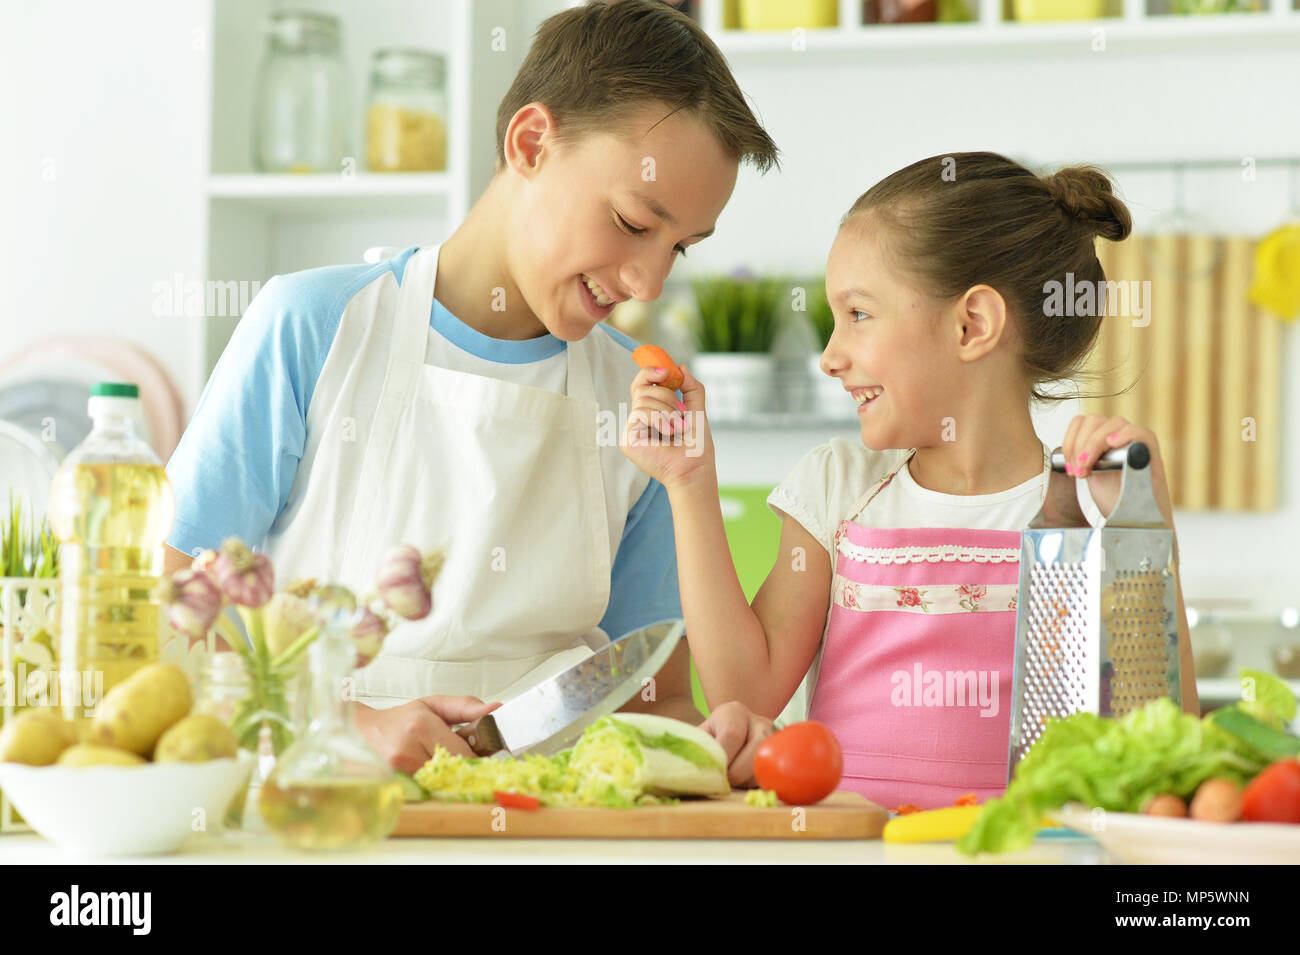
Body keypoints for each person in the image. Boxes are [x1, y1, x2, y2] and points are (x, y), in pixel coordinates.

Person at [162, 0, 779, 775]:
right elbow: (167, 612)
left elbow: (647, 696)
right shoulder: (315, 326)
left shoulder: (638, 406)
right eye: (631, 222)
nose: (647, 279)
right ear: (530, 143)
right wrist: (345, 720)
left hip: (550, 818)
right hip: (322, 797)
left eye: (680, 248)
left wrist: (714, 740)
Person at [622, 151, 1199, 807]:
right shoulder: (839, 489)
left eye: (859, 315)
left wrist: (1144, 523)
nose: (830, 356)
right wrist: (690, 481)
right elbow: (745, 692)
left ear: (972, 324)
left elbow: (1164, 741)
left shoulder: (1087, 506)